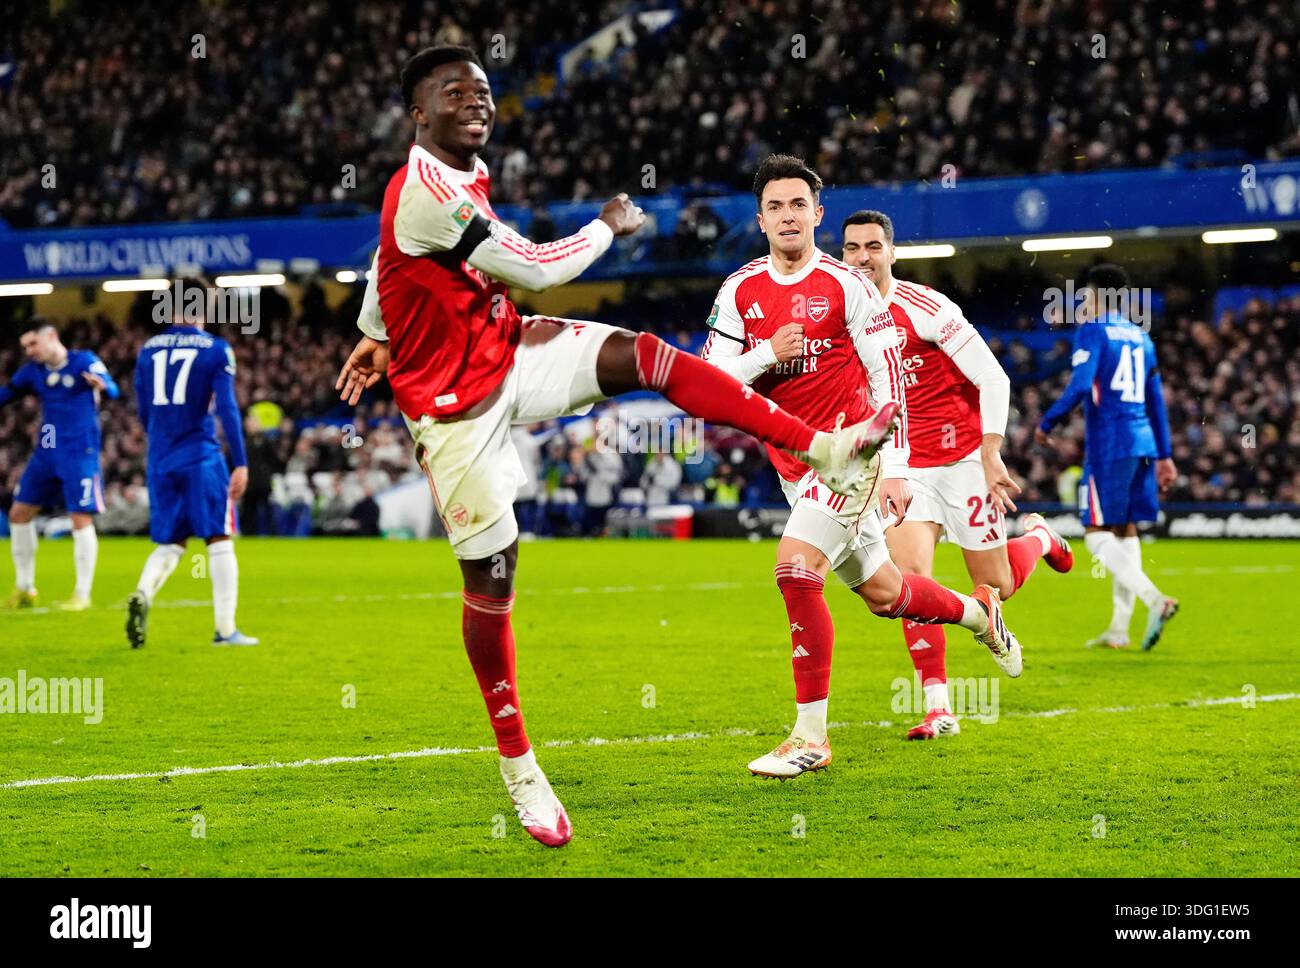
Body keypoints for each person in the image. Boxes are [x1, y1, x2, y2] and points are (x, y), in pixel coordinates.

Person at [333, 47, 891, 848]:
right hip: (452, 407)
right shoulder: (424, 189)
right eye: (454, 94)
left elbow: (394, 260)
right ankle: (519, 768)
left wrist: (370, 330)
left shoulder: (460, 171)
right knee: (493, 579)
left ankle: (826, 449)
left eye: (484, 90)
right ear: (417, 115)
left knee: (647, 355)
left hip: (508, 348)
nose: (476, 102)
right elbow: (532, 267)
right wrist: (607, 223)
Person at [699, 156, 1023, 779]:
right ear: (760, 218)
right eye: (776, 206)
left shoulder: (847, 286)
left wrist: (894, 465)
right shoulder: (739, 290)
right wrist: (766, 353)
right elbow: (712, 380)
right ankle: (981, 613)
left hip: (854, 455)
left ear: (817, 215)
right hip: (794, 469)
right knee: (887, 594)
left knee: (796, 569)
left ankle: (809, 738)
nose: (788, 216)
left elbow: (888, 377)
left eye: (800, 205)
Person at [841, 209, 1073, 740]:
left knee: (996, 586)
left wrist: (992, 453)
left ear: (892, 253)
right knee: (910, 582)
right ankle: (939, 709)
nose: (862, 258)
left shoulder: (928, 307)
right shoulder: (842, 317)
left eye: (873, 246)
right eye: (852, 248)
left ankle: (1038, 537)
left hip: (965, 460)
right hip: (904, 468)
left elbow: (992, 377)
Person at [1036, 263, 1178, 650]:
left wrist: (1047, 422)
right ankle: (1118, 630)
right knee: (1125, 529)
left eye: (1083, 297)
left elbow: (1081, 384)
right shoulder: (1142, 338)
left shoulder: (1094, 331)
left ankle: (1156, 600)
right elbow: (1156, 402)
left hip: (1111, 444)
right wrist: (1165, 454)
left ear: (1095, 296)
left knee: (1096, 533)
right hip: (1143, 442)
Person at [126, 283, 257, 648]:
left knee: (172, 541)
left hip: (161, 458)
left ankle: (142, 593)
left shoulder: (147, 350)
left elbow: (143, 410)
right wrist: (241, 462)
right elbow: (228, 408)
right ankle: (226, 630)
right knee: (219, 538)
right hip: (200, 455)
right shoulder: (216, 350)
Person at [1, 321, 118, 610]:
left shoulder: (84, 361)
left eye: (33, 344)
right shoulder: (33, 372)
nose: (29, 351)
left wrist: (104, 386)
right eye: (25, 347)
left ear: (51, 336)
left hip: (80, 450)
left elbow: (112, 389)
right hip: (48, 448)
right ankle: (26, 589)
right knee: (19, 513)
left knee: (80, 517)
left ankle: (82, 593)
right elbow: (6, 394)